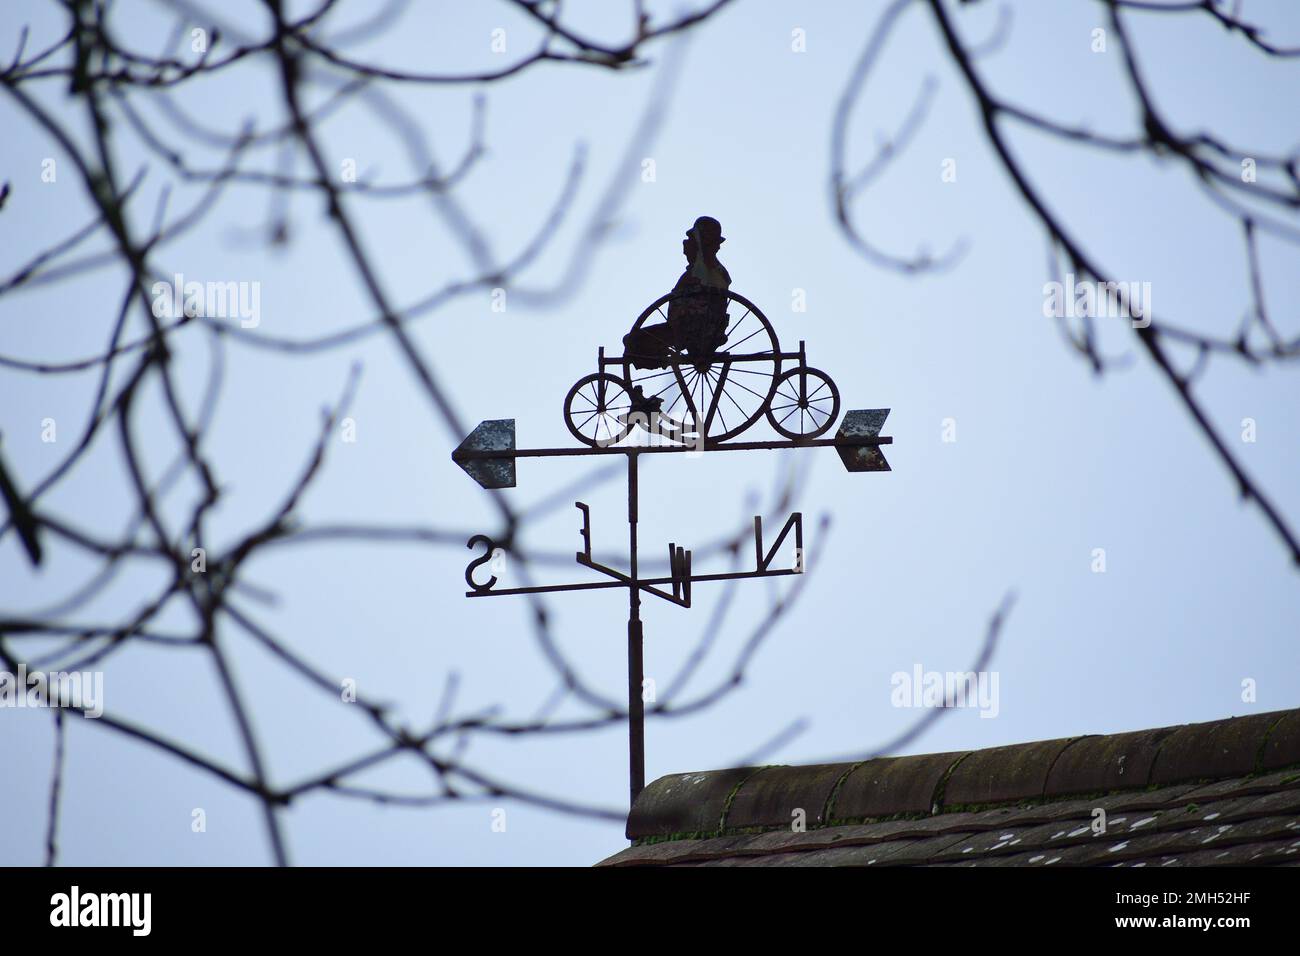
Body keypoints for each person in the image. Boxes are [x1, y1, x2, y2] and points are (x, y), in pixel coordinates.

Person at [624, 217, 731, 369]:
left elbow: (700, 304)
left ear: (700, 242)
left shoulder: (705, 272)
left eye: (691, 239)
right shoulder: (711, 271)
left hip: (689, 329)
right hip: (693, 328)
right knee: (633, 341)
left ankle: (660, 362)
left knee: (633, 340)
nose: (686, 243)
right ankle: (659, 361)